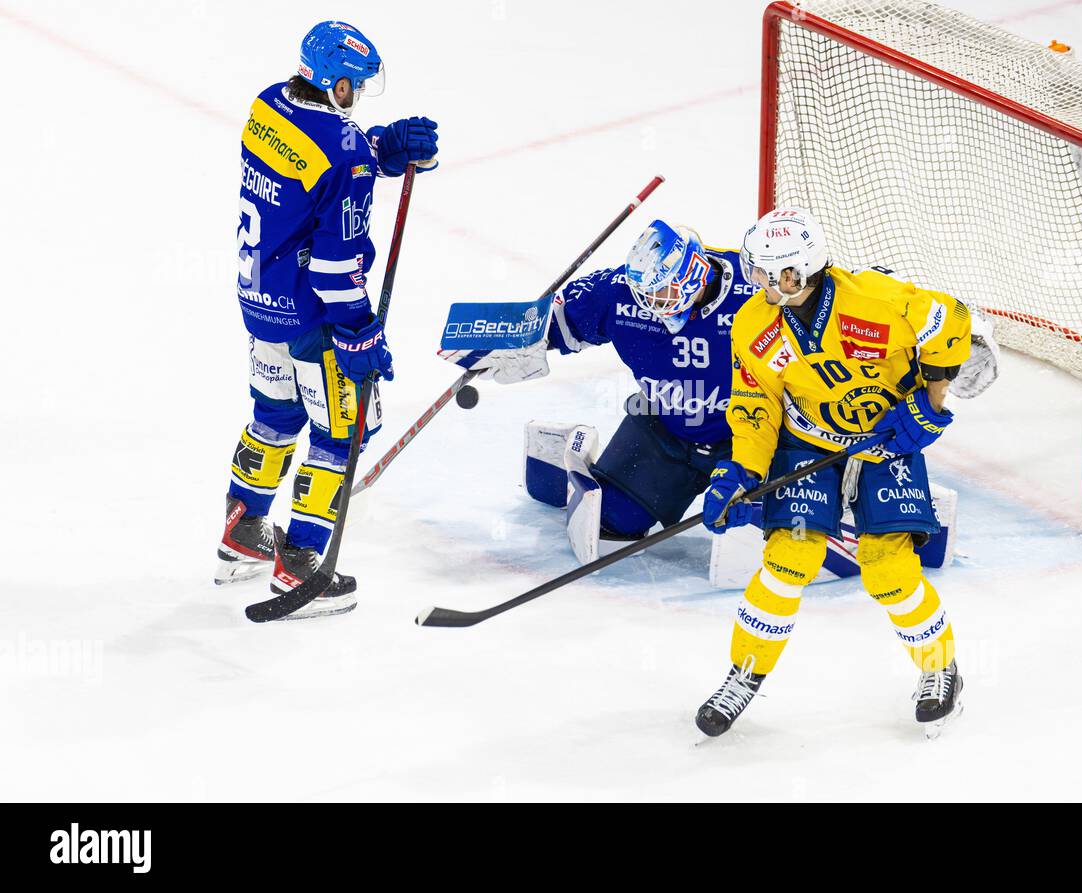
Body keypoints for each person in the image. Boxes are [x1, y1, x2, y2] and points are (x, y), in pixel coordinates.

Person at [696, 207, 971, 738]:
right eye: (757, 274)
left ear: (804, 269)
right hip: (807, 443)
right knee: (788, 557)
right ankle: (745, 672)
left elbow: (953, 320)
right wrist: (737, 473)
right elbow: (756, 409)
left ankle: (940, 669)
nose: (765, 286)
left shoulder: (875, 301)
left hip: (883, 441)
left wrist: (928, 407)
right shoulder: (755, 325)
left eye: (776, 276)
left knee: (888, 567)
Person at [217, 20, 438, 619]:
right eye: (354, 85)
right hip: (316, 315)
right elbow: (337, 260)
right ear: (333, 82)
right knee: (340, 433)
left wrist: (379, 148)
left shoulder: (268, 105)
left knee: (275, 415)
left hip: (261, 298)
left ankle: (242, 525)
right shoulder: (344, 150)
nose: (358, 95)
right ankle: (300, 565)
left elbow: (314, 171)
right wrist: (361, 332)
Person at [441, 221, 755, 552]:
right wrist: (511, 339)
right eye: (644, 294)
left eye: (661, 291)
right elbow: (555, 321)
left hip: (752, 439)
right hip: (667, 430)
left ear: (693, 274)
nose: (651, 304)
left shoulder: (756, 289)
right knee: (611, 523)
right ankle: (565, 452)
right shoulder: (619, 291)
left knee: (794, 534)